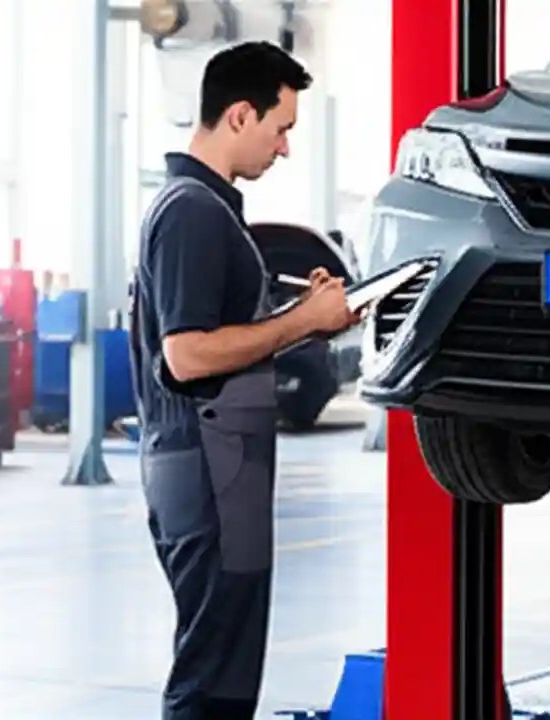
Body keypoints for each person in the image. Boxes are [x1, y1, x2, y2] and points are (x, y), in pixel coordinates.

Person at [128, 41, 366, 720]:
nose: (285, 147)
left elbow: (219, 337)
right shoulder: (191, 213)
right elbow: (186, 356)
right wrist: (297, 325)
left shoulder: (209, 210)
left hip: (220, 468)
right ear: (238, 116)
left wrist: (309, 318)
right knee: (211, 675)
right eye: (280, 127)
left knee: (227, 670)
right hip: (206, 471)